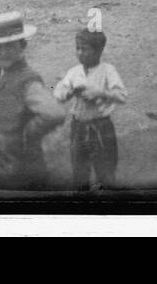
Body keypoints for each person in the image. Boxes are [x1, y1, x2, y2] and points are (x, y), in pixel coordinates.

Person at [0, 12, 67, 189]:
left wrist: (30, 132)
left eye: (9, 45)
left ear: (22, 45)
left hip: (21, 169)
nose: (3, 52)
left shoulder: (26, 80)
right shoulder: (2, 74)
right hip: (2, 162)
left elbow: (55, 113)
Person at [54, 27, 127, 191]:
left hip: (101, 126)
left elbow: (122, 95)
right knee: (79, 170)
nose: (80, 53)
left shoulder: (108, 70)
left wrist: (101, 92)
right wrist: (71, 91)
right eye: (77, 48)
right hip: (79, 126)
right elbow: (58, 93)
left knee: (105, 169)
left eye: (85, 49)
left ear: (99, 51)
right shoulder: (74, 72)